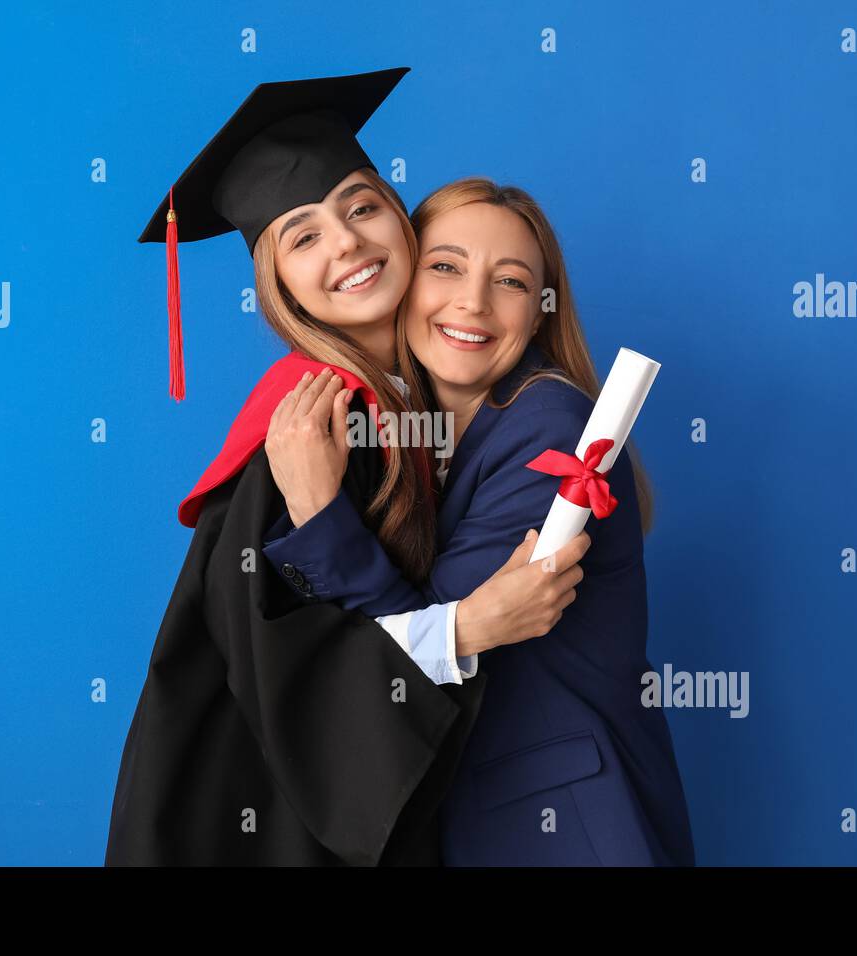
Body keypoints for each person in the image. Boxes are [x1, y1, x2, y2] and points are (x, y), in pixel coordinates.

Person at [104, 71, 587, 866]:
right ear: (279, 283)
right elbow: (296, 678)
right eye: (302, 236)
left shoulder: (410, 408)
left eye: (361, 207)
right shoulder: (315, 427)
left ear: (401, 221)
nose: (348, 244)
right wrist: (468, 626)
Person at [261, 178, 697, 865]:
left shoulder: (547, 430)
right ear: (402, 277)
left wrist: (319, 512)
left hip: (563, 825)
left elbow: (413, 662)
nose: (473, 302)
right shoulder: (421, 437)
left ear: (539, 312)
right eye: (445, 267)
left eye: (513, 282)